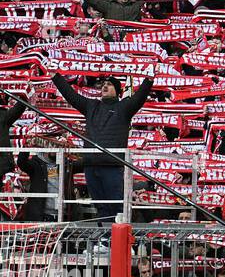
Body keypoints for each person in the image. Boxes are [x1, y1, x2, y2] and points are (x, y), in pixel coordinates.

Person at [51, 70, 153, 222]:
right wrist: (55, 77)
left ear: (118, 91)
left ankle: (121, 242)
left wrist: (149, 80)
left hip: (112, 166)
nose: (105, 86)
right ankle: (105, 241)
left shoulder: (124, 107)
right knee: (101, 207)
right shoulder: (91, 106)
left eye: (110, 84)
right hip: (91, 165)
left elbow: (140, 97)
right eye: (103, 84)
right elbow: (71, 95)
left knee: (117, 207)